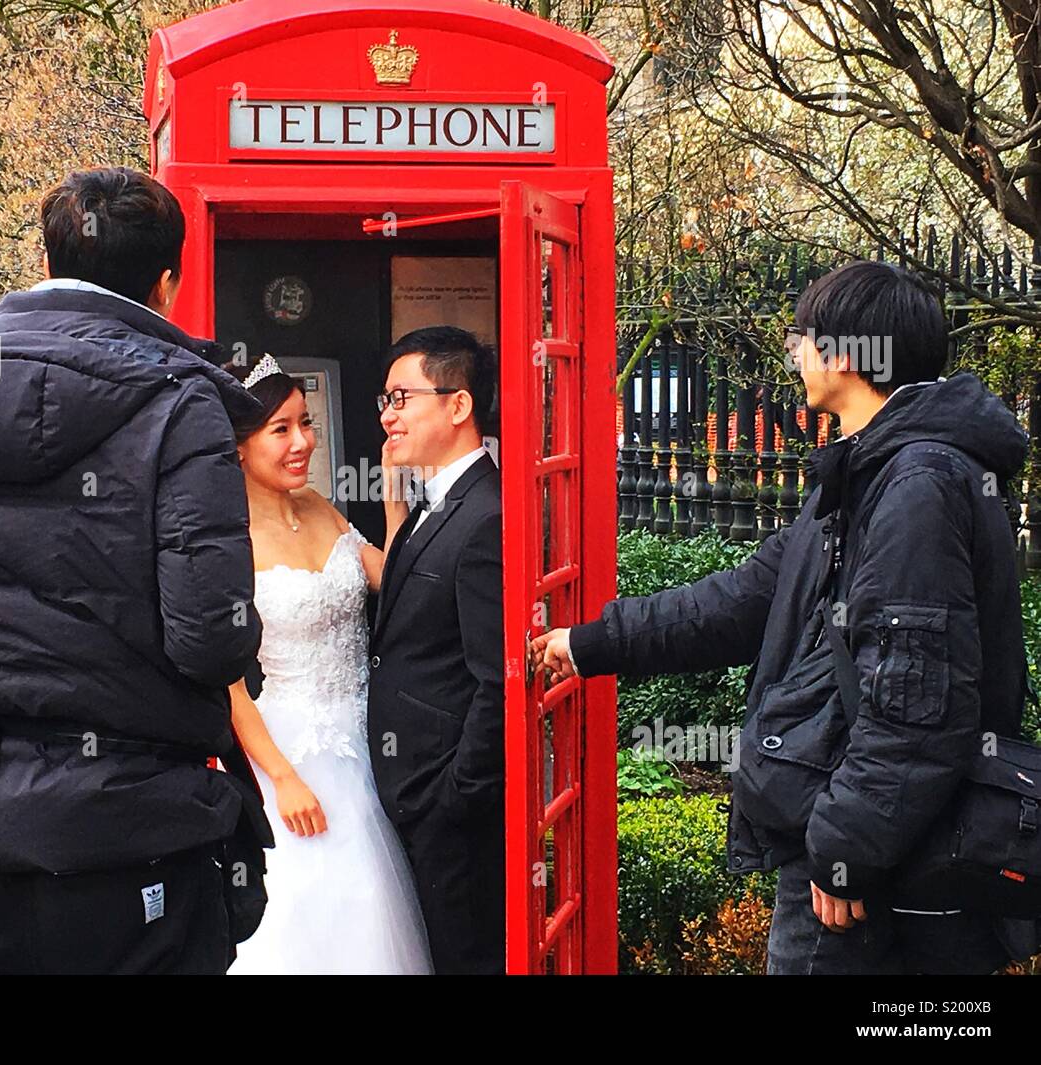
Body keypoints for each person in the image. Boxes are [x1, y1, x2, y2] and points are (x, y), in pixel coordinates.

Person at [534, 259, 1040, 974]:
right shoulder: (875, 471)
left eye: (801, 337)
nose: (795, 354)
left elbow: (917, 701)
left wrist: (843, 848)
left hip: (871, 874)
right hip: (873, 848)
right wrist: (589, 644)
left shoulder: (917, 484)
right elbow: (745, 598)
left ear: (847, 354)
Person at [0, 166, 270, 975]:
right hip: (138, 821)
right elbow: (208, 642)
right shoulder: (181, 401)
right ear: (168, 284)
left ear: (45, 267)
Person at [224, 354, 432, 974]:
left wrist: (393, 497)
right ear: (238, 446)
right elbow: (227, 683)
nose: (303, 442)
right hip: (293, 754)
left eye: (306, 423)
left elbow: (390, 583)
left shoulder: (318, 503)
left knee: (376, 900)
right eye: (280, 429)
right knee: (315, 907)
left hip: (368, 739)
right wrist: (281, 778)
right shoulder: (226, 539)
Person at [369, 326, 505, 975]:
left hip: (448, 816)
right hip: (408, 798)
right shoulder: (442, 501)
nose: (389, 414)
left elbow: (498, 680)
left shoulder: (485, 517)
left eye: (402, 397)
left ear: (458, 405)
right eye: (384, 401)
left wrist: (456, 798)